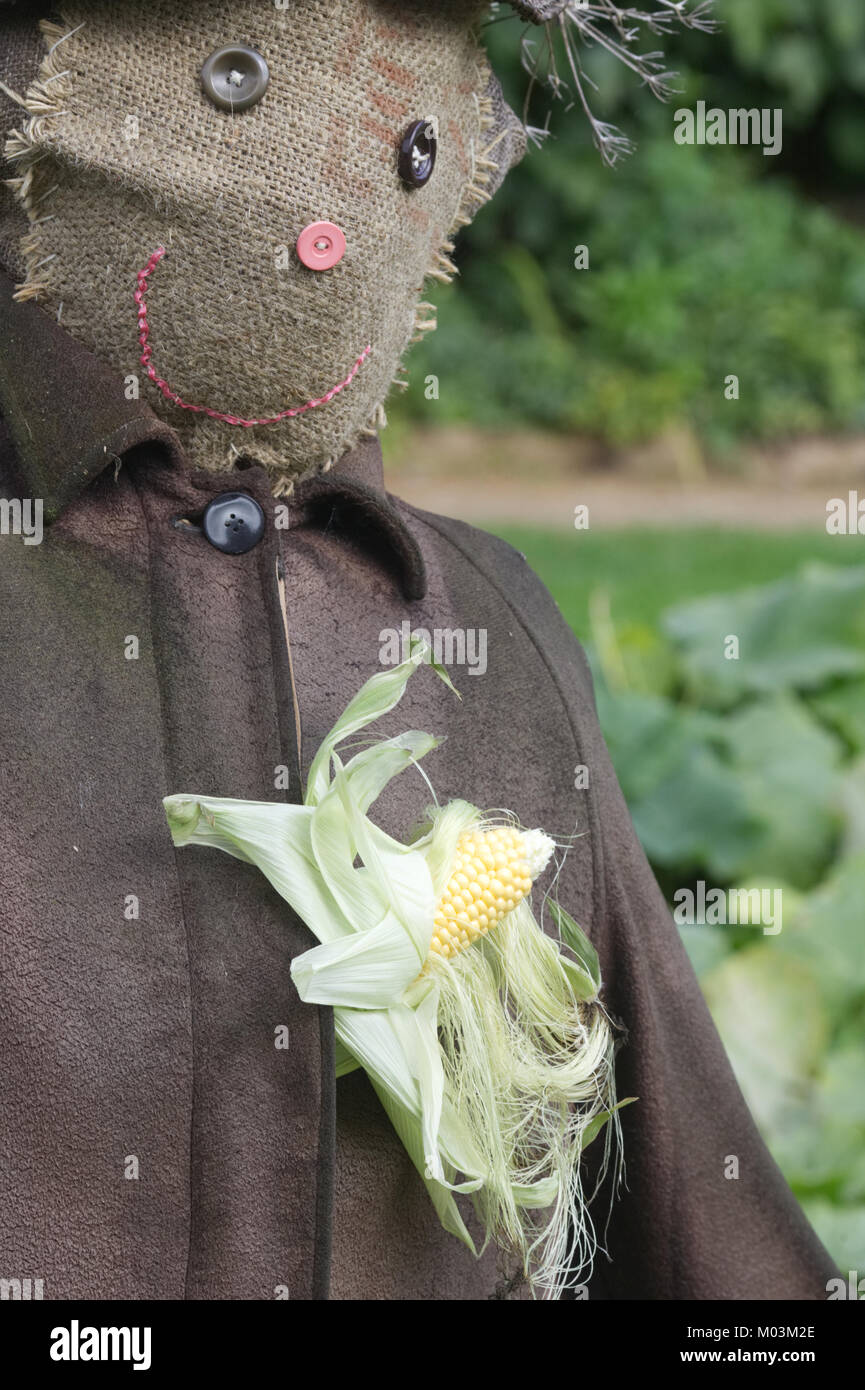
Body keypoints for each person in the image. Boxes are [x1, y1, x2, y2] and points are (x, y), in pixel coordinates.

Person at [0, 0, 835, 1299]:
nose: (320, 234)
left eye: (405, 151)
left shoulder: (487, 629)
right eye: (232, 84)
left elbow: (691, 1191)